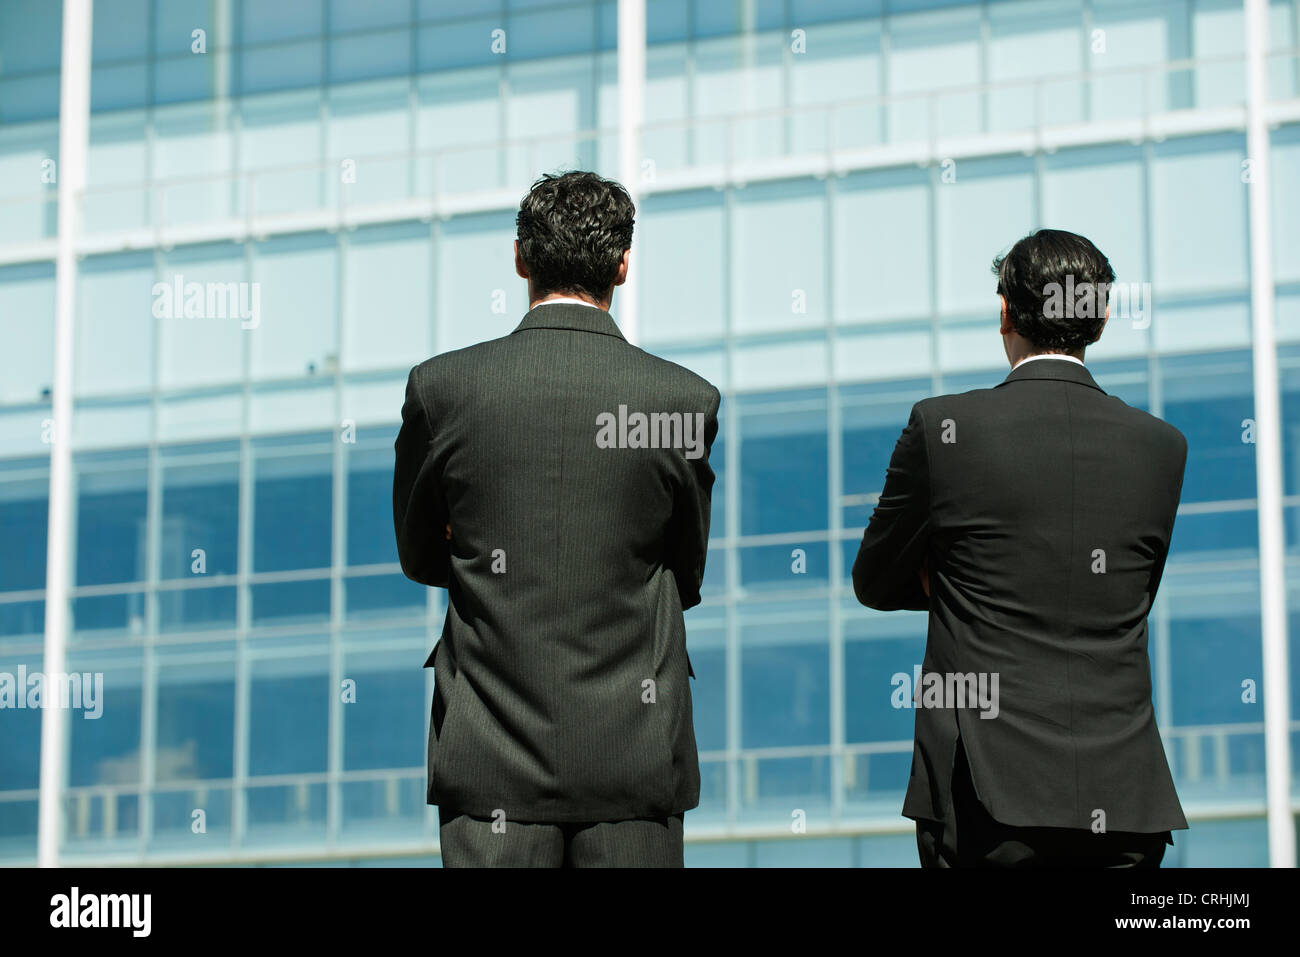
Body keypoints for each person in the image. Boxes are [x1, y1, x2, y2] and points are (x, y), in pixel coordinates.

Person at [393, 170, 720, 867]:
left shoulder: (443, 389)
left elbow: (420, 553)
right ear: (623, 265)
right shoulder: (681, 401)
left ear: (520, 257)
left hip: (490, 761)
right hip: (633, 757)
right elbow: (686, 569)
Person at [852, 228, 1188, 867]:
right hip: (1124, 794)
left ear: (1004, 311)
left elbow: (874, 580)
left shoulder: (944, 427)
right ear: (1103, 316)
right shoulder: (1161, 446)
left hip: (983, 790)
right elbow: (1127, 592)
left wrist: (951, 579)